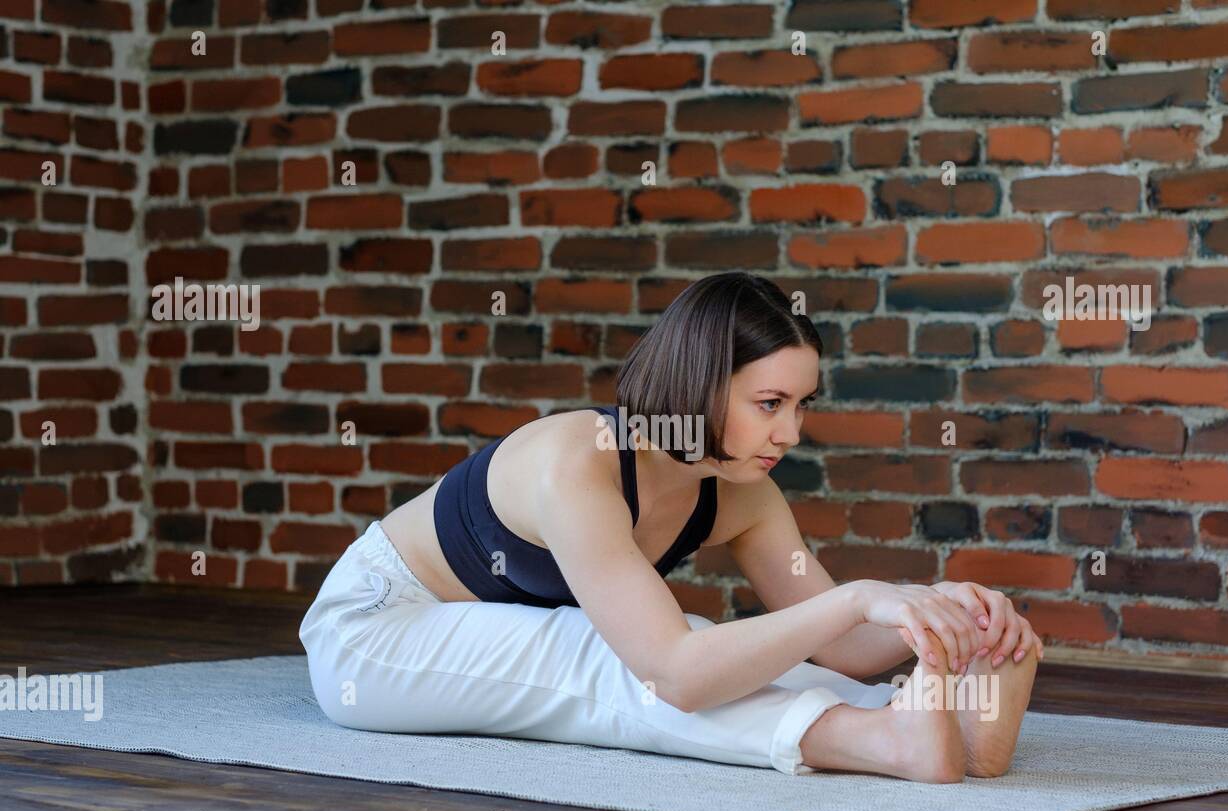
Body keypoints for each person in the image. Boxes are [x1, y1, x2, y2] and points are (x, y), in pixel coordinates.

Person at [299, 272, 1044, 782]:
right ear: (699, 384)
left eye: (801, 405)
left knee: (718, 649)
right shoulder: (577, 463)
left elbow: (838, 646)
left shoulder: (739, 492)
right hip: (374, 633)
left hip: (483, 631)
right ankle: (879, 738)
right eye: (769, 402)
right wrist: (860, 594)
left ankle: (949, 725)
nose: (791, 431)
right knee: (637, 652)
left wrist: (944, 614)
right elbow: (677, 673)